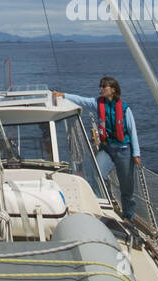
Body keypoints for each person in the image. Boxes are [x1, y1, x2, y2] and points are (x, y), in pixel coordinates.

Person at [51, 77, 141, 221]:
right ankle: (101, 207)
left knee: (127, 187)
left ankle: (128, 217)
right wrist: (64, 95)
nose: (101, 89)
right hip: (107, 149)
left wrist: (136, 154)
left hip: (123, 150)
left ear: (113, 89)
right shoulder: (98, 104)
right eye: (101, 86)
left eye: (104, 87)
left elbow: (132, 131)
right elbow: (81, 100)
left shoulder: (125, 109)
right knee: (97, 174)